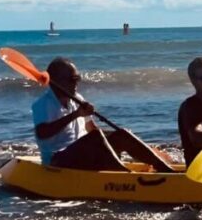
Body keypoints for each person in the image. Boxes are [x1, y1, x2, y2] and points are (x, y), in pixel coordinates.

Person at [32, 57, 175, 172]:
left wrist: (117, 138)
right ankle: (123, 173)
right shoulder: (43, 104)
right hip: (58, 160)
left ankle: (164, 167)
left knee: (122, 134)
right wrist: (75, 115)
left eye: (77, 79)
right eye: (72, 79)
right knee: (95, 137)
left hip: (83, 155)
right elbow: (42, 133)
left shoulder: (78, 99)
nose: (76, 83)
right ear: (57, 81)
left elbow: (92, 130)